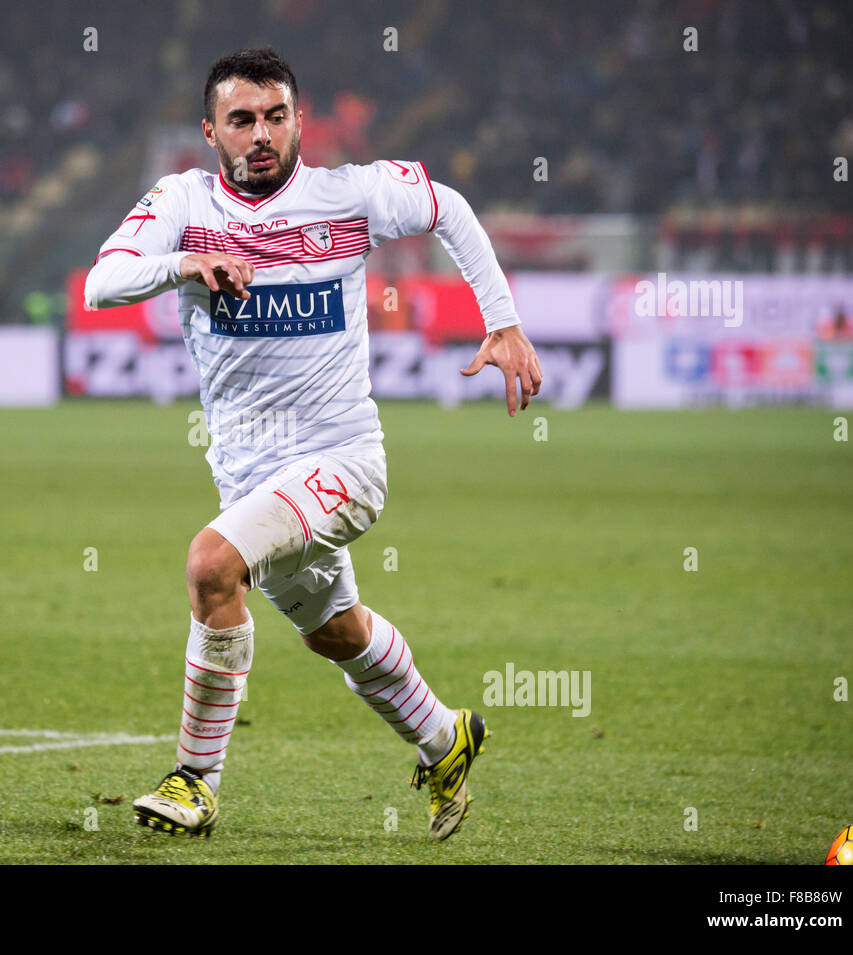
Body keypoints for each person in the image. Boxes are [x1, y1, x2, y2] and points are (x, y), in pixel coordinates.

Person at [85, 48, 542, 841]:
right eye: (241, 120)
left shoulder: (349, 195)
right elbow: (103, 280)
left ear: (298, 120)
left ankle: (194, 780)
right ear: (210, 131)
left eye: (275, 116)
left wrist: (500, 318)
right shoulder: (184, 204)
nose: (260, 134)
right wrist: (188, 261)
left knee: (210, 565)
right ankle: (446, 739)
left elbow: (450, 208)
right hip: (250, 477)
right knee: (335, 630)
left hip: (343, 462)